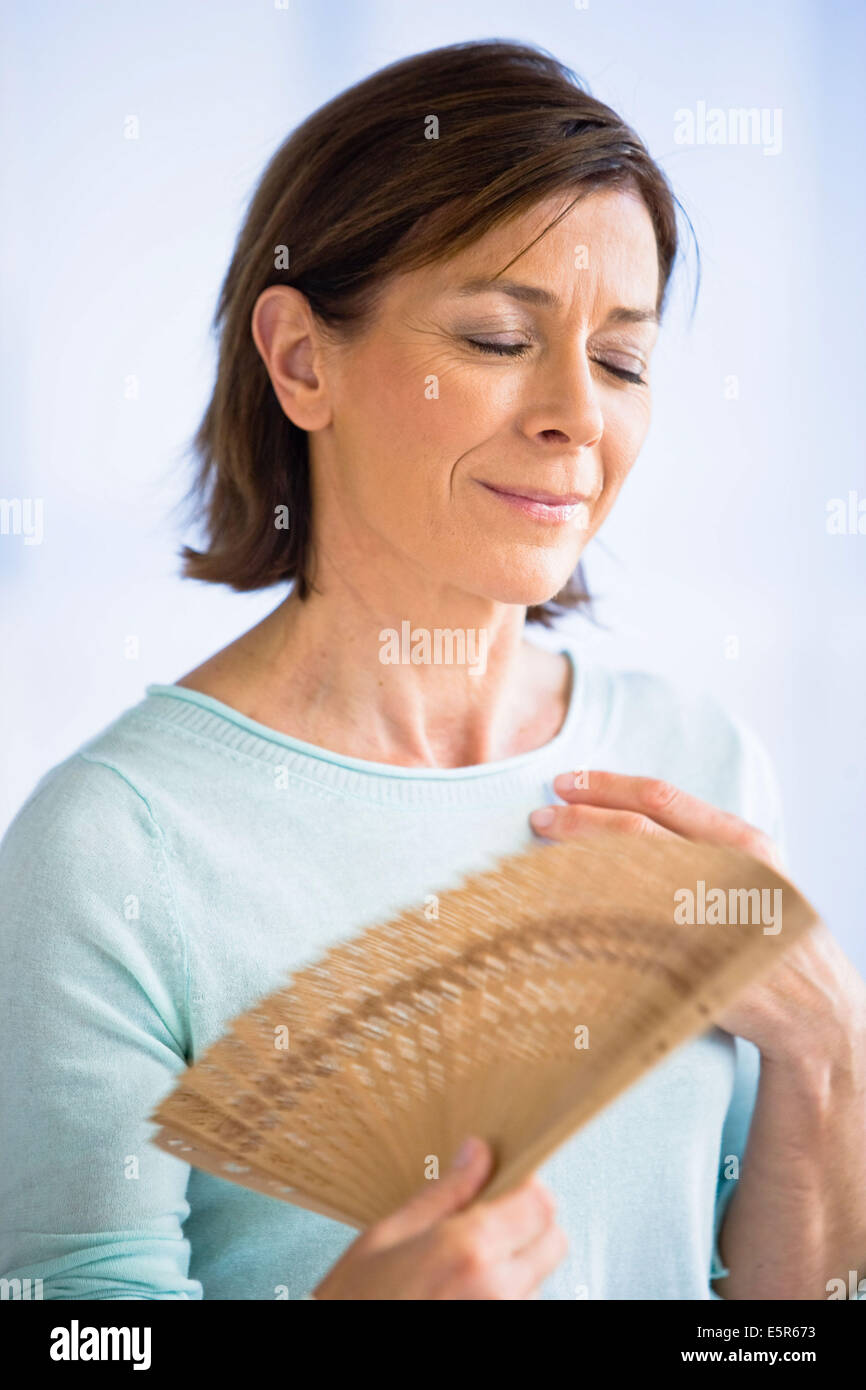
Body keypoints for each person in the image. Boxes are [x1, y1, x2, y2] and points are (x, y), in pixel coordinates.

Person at [1, 39, 863, 1302]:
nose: (577, 410)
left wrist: (825, 1046)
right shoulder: (113, 850)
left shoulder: (696, 766)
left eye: (621, 358)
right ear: (302, 361)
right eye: (499, 336)